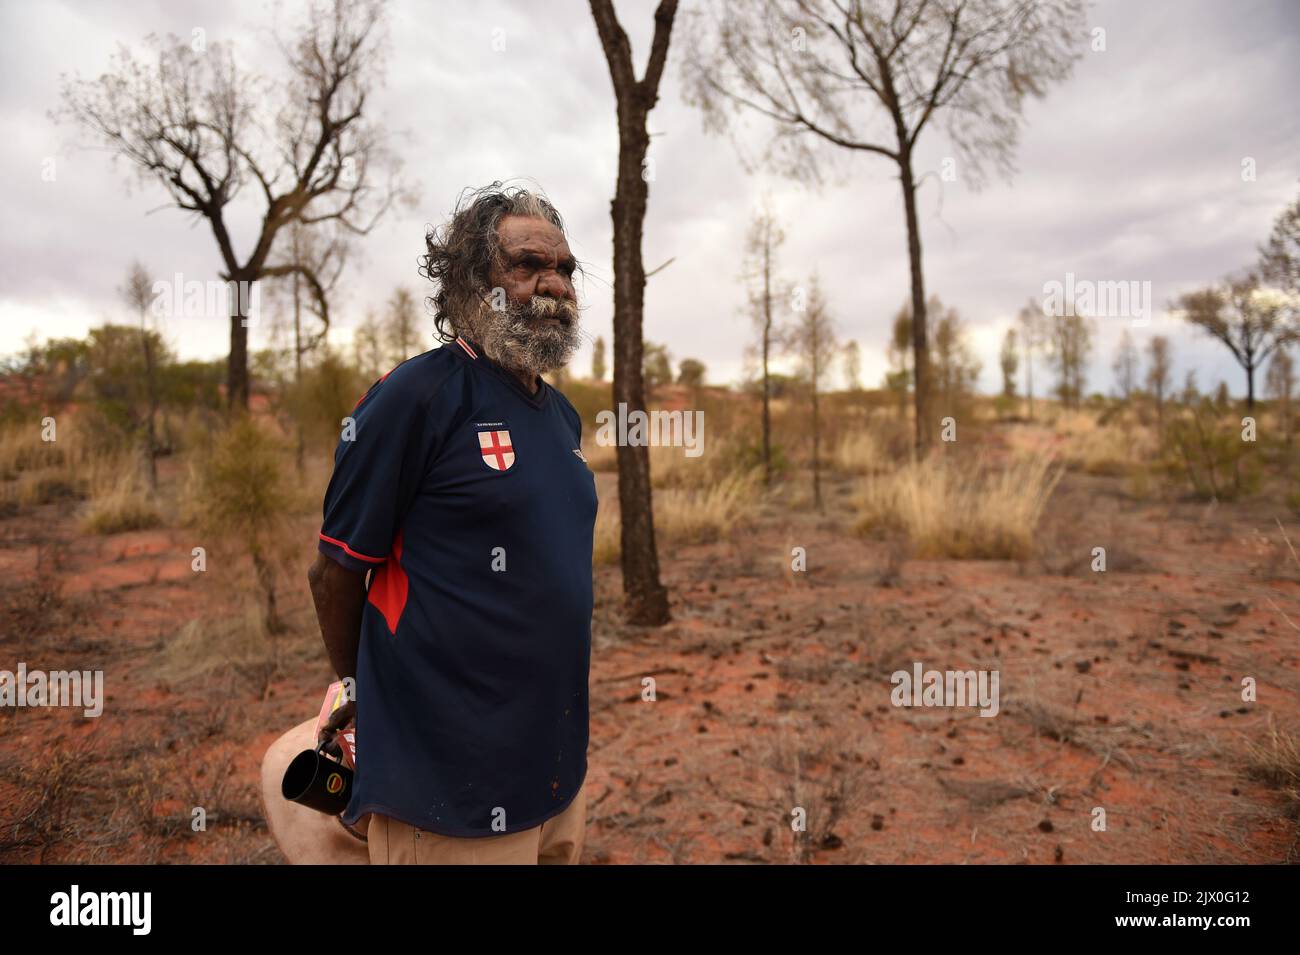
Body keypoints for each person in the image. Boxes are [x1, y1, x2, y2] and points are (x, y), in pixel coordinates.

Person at [306, 183, 597, 864]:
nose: (553, 284)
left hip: (553, 768)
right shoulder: (416, 397)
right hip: (447, 786)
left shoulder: (560, 416)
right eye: (527, 266)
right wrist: (361, 695)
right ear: (471, 282)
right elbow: (335, 574)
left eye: (565, 269)